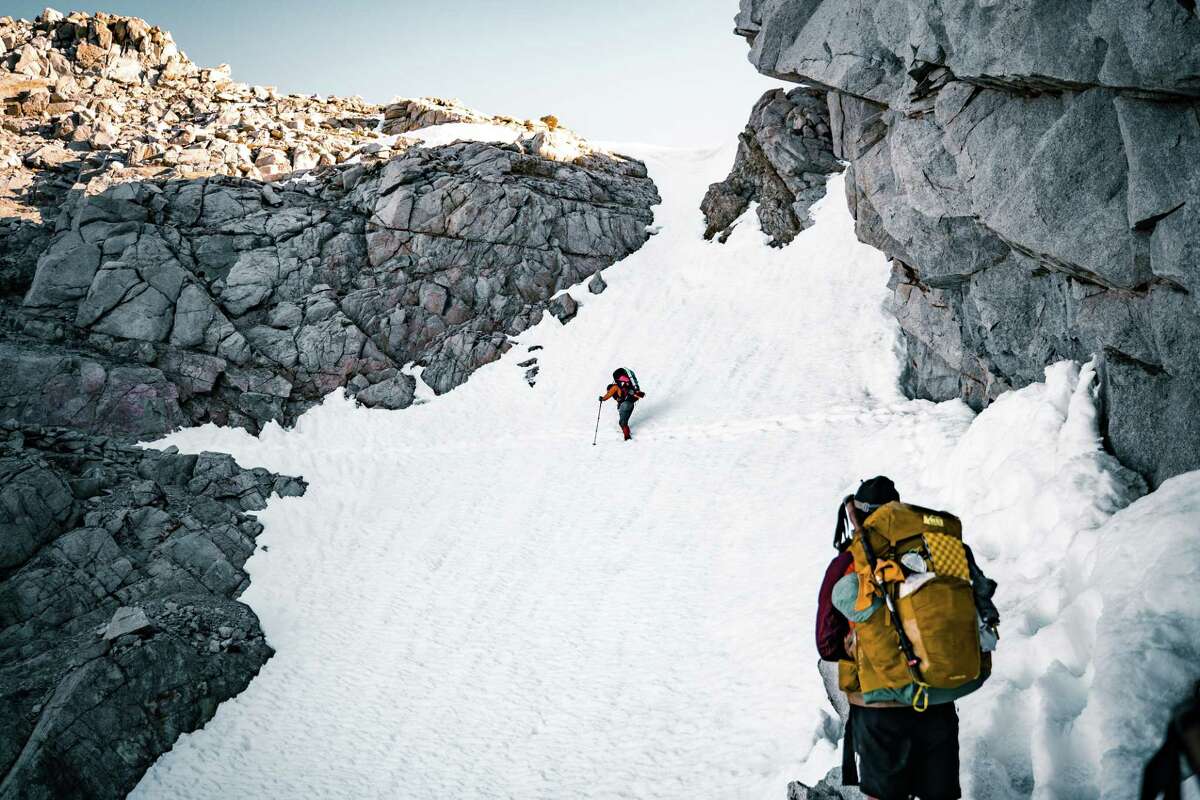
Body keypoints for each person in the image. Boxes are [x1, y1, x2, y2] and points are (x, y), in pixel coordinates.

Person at [816, 476, 997, 800]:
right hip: (937, 695)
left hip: (880, 708)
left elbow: (827, 645)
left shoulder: (849, 562)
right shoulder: (940, 549)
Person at [599, 368, 645, 441]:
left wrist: (603, 399)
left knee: (622, 422)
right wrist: (637, 393)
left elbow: (609, 394)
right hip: (630, 405)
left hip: (624, 405)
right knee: (623, 422)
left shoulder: (615, 388)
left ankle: (627, 437)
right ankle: (627, 434)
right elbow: (638, 395)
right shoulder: (621, 389)